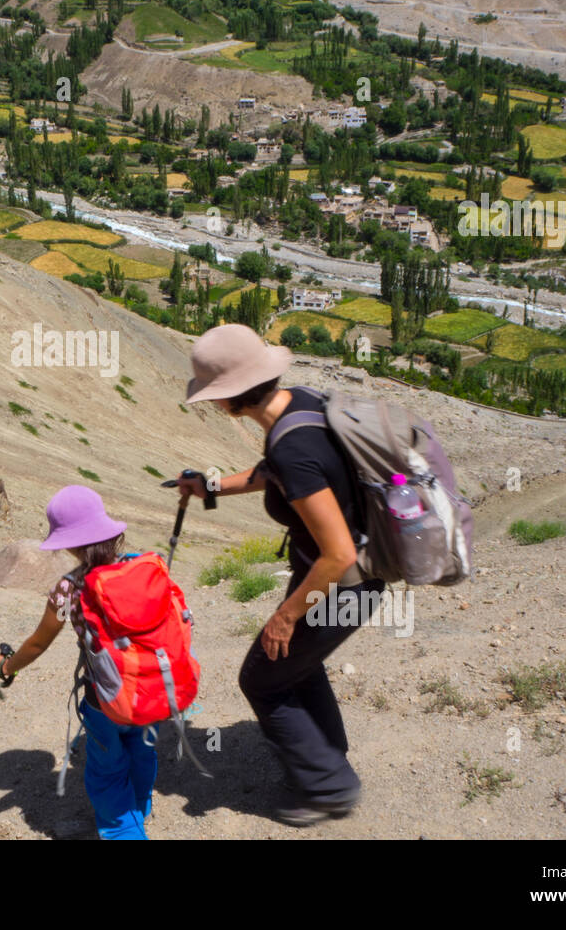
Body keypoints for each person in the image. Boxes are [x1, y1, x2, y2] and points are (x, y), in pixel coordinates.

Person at [179, 324, 385, 826]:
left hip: (341, 584)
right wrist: (209, 487)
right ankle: (323, 755)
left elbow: (335, 553)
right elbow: (272, 472)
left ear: (228, 400)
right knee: (293, 666)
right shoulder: (300, 406)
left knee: (263, 678)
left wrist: (286, 617)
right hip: (350, 578)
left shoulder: (293, 446)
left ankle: (328, 787)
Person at [0, 485, 159, 840]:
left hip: (105, 700)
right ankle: (139, 810)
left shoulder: (69, 589)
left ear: (67, 542)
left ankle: (127, 831)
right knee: (142, 755)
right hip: (152, 693)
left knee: (107, 773)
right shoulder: (141, 568)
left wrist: (7, 667)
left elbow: (38, 644)